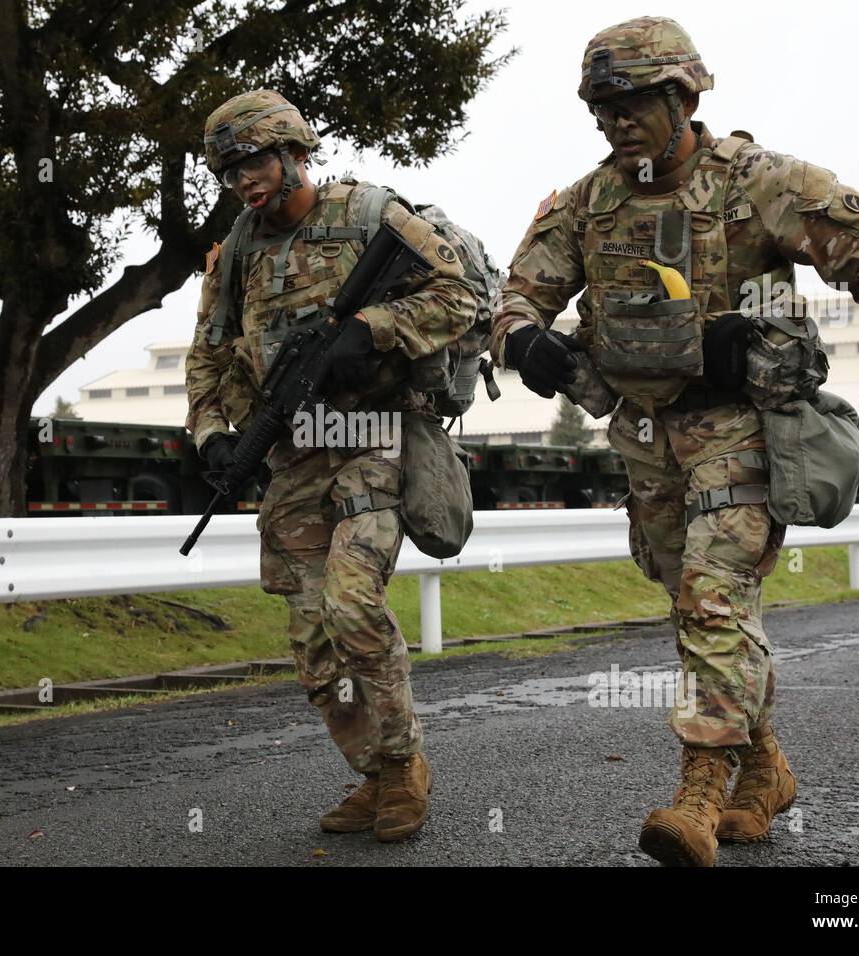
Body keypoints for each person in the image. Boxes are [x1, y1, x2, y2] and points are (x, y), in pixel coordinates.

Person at [489, 17, 859, 865]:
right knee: (692, 604)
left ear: (683, 96)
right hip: (648, 436)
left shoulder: (757, 183)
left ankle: (696, 798)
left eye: (634, 103)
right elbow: (516, 297)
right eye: (602, 107)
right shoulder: (588, 202)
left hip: (744, 427)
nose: (618, 122)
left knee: (712, 594)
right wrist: (521, 338)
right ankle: (764, 769)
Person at [185, 90, 477, 842]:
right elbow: (211, 355)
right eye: (230, 170)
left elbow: (462, 297)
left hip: (375, 440)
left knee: (351, 605)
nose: (245, 180)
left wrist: (373, 330)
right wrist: (213, 432)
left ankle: (406, 764)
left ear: (292, 152)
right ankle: (377, 773)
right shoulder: (238, 252)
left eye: (254, 160)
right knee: (314, 637)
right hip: (293, 456)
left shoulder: (369, 214)